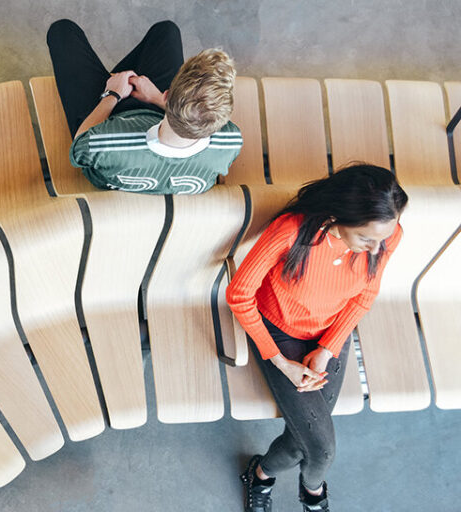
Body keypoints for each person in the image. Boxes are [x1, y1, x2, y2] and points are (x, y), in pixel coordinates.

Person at [226, 165, 408, 512]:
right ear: (337, 217)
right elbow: (239, 295)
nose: (376, 249)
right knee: (321, 448)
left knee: (303, 440)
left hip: (330, 333)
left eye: (382, 239)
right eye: (366, 239)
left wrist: (327, 348)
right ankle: (311, 491)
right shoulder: (290, 232)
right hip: (280, 333)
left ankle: (260, 475)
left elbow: (364, 297)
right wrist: (280, 362)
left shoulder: (386, 235)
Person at [46, 19, 242, 194]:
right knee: (166, 30)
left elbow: (79, 147)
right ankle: (122, 80)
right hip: (159, 115)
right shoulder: (230, 141)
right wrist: (156, 98)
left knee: (62, 30)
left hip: (110, 119)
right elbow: (196, 118)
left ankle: (117, 81)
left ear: (168, 94)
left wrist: (112, 95)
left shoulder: (104, 142)